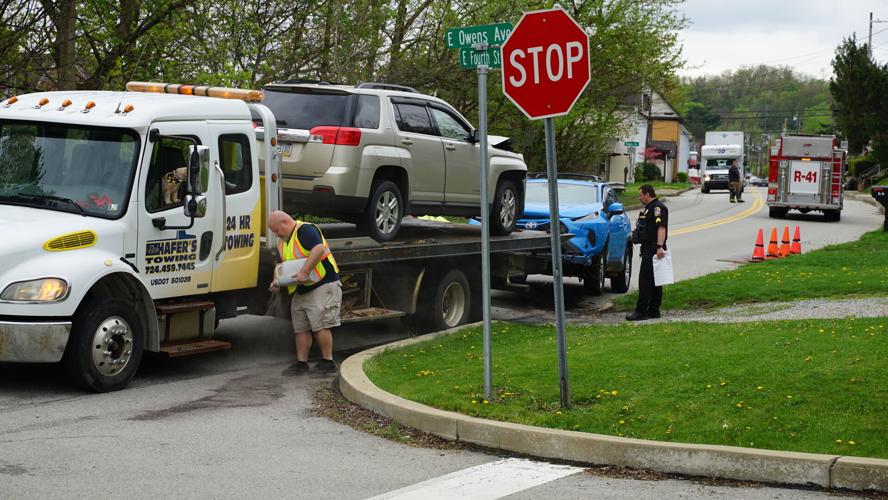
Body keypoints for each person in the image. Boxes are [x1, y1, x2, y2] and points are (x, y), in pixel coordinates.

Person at [267, 211, 342, 376]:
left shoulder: (305, 230)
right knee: (301, 328)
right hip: (302, 288)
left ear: (285, 223)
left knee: (320, 325)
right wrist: (277, 281)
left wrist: (304, 271)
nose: (275, 234)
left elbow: (319, 249)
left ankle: (328, 362)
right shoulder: (282, 241)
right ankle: (302, 363)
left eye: (276, 230)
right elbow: (280, 265)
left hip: (322, 284)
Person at [626, 184, 668, 321]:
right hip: (650, 248)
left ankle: (641, 311)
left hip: (653, 248)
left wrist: (659, 246)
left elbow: (661, 228)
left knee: (645, 281)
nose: (639, 198)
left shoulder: (657, 208)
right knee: (655, 280)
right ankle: (653, 310)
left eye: (640, 195)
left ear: (647, 194)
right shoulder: (649, 208)